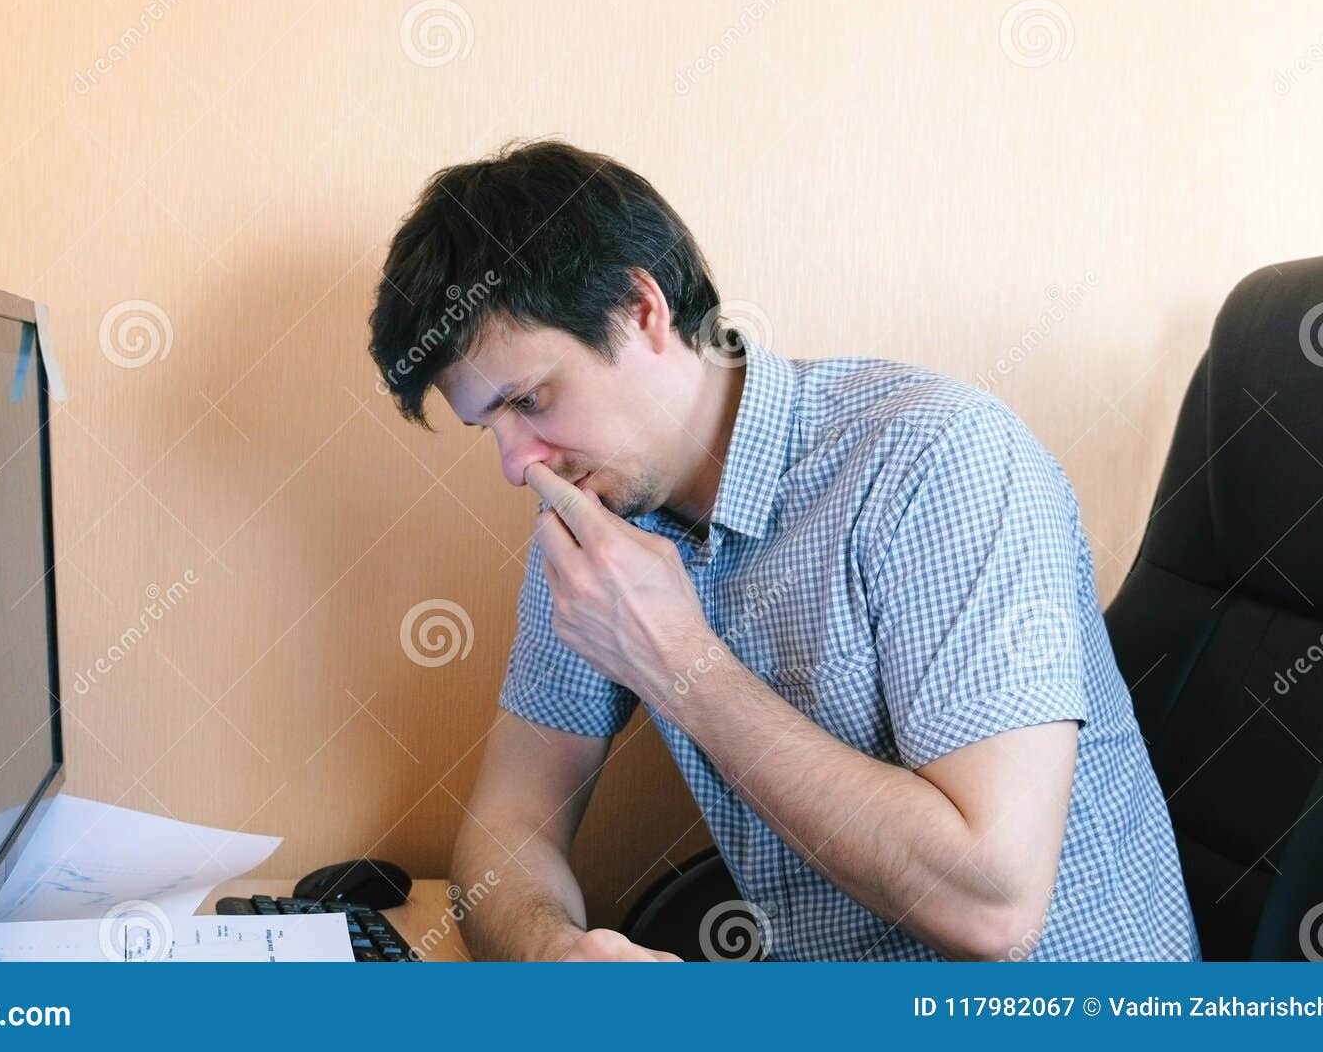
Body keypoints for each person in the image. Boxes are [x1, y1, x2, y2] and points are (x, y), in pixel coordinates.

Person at [366, 139, 1199, 962]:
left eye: (531, 400)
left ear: (640, 311)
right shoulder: (600, 516)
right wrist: (555, 955)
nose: (517, 466)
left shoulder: (936, 460)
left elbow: (994, 909)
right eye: (491, 428)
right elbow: (509, 826)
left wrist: (674, 659)